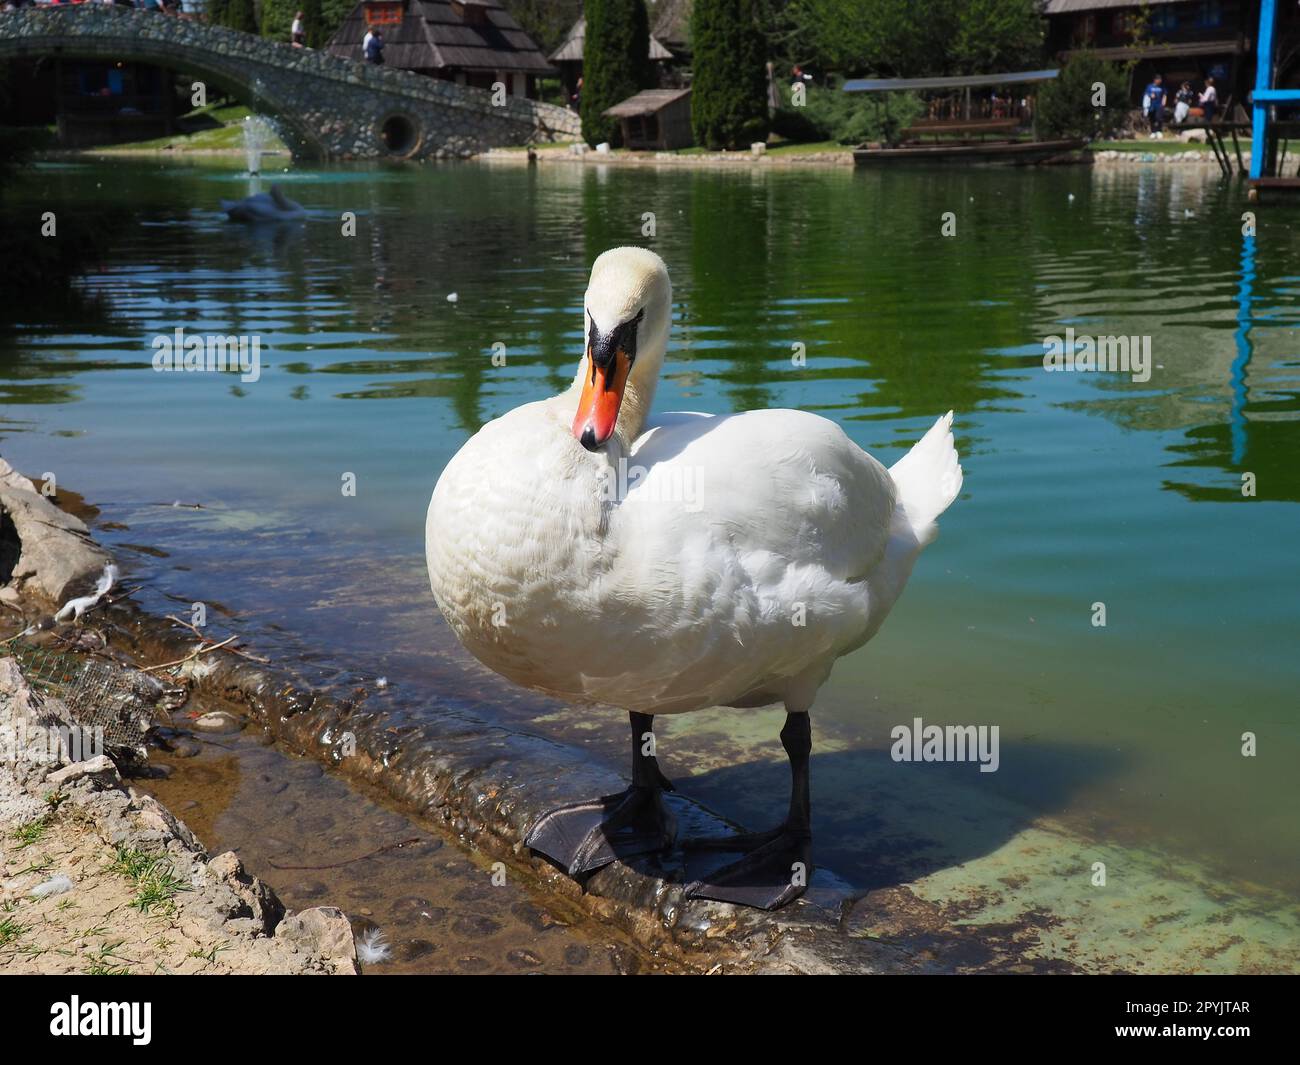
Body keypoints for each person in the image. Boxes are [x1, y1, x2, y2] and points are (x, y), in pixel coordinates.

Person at [1143, 74, 1166, 138]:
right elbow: (1146, 94)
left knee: (1158, 118)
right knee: (1152, 119)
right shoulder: (1149, 86)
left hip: (1159, 105)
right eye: (1158, 79)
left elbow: (1164, 95)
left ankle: (1159, 131)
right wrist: (1151, 95)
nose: (1160, 81)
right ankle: (1153, 132)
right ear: (1155, 80)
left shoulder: (1162, 87)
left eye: (1160, 79)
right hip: (1151, 105)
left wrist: (1163, 103)